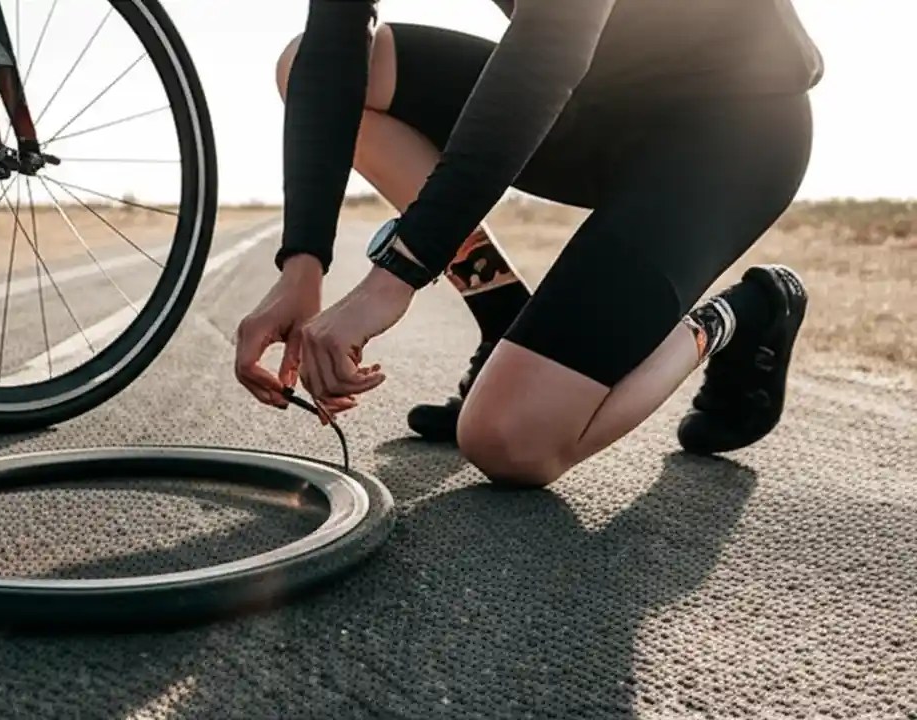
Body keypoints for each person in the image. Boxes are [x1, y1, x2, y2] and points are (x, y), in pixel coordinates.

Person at [234, 0, 822, 487]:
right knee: (304, 62)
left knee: (511, 439)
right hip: (587, 103)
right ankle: (500, 313)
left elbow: (548, 50)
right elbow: (333, 41)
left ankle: (747, 313)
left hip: (731, 129)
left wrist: (393, 278)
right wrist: (302, 263)